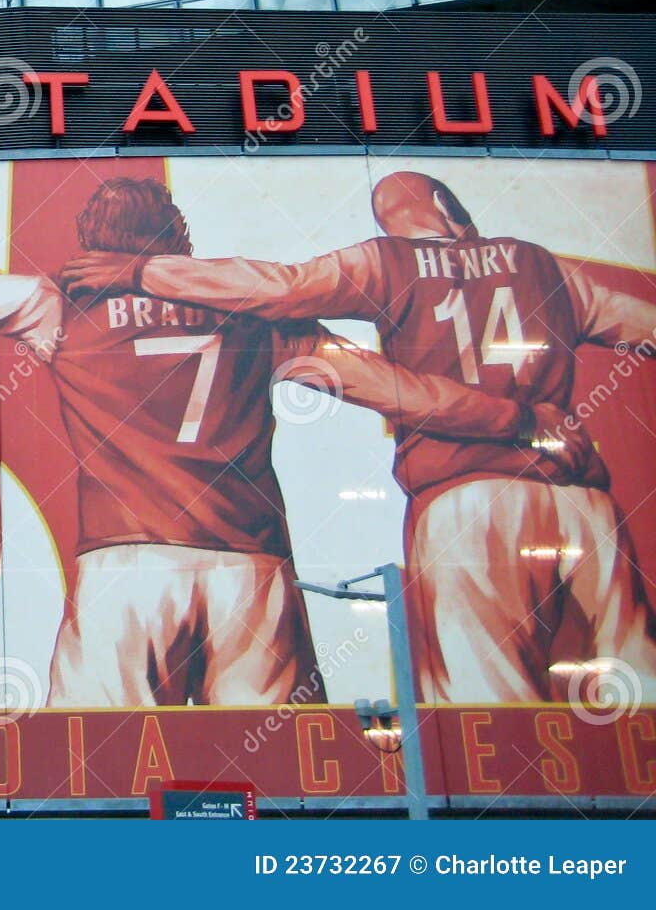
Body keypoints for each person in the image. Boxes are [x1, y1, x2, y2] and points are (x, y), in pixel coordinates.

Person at [0, 176, 580, 706]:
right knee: (275, 781)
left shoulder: (55, 302)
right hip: (252, 569)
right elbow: (391, 388)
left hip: (124, 570)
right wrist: (516, 420)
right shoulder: (259, 317)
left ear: (91, 242)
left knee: (96, 785)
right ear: (179, 243)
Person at [60, 169, 656, 702]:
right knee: (637, 680)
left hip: (463, 498)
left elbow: (282, 286)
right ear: (450, 209)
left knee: (484, 700)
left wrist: (142, 273)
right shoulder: (543, 266)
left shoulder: (386, 262)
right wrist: (525, 420)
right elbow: (644, 327)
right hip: (579, 493)